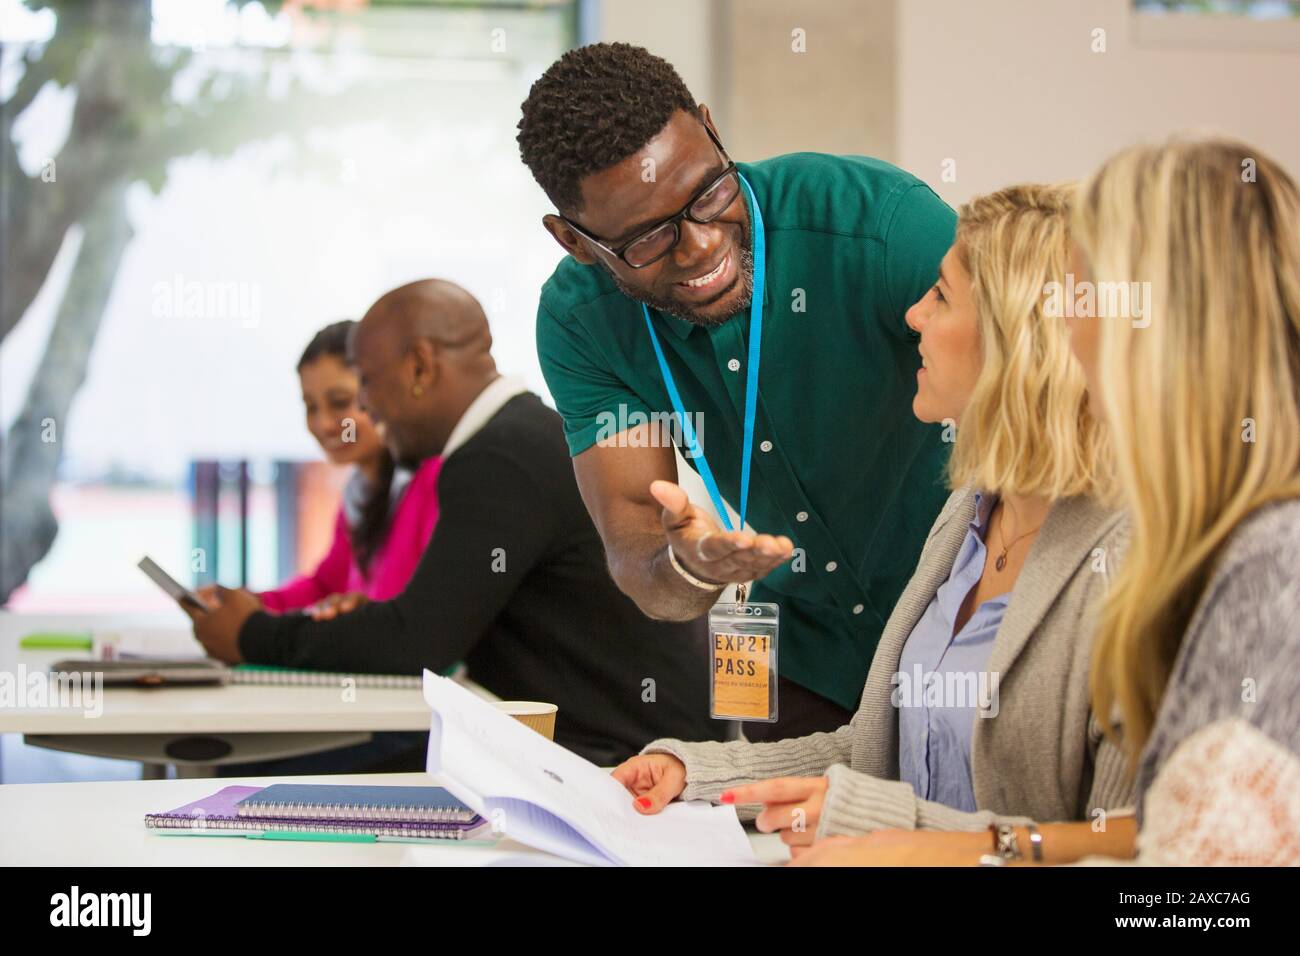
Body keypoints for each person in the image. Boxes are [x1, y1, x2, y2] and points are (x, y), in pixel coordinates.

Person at [793, 136, 1300, 867]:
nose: (1067, 334)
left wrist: (947, 852)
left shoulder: (1260, 556)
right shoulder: (1226, 531)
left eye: (1081, 293)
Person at [612, 184, 1134, 855]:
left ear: (1017, 338)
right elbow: (880, 748)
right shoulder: (969, 513)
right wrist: (702, 773)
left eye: (941, 295)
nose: (914, 315)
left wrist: (887, 823)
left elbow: (1132, 847)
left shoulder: (1129, 559)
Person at [519, 42, 957, 738]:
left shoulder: (876, 224)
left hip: (965, 640)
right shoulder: (582, 323)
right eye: (647, 239)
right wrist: (687, 569)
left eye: (709, 193)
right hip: (812, 669)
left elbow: (1053, 394)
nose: (698, 247)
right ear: (574, 243)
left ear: (712, 128)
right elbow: (635, 546)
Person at [187, 279, 726, 769]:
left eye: (368, 384)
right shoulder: (514, 438)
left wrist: (249, 634)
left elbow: (417, 643)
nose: (369, 409)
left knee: (251, 768)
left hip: (613, 761)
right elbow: (429, 622)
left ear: (420, 367)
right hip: (620, 743)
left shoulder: (499, 457)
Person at [251, 320, 441, 619]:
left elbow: (422, 615)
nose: (323, 424)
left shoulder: (433, 481)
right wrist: (248, 605)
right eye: (310, 406)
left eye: (340, 403)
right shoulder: (359, 492)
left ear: (382, 393)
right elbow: (325, 586)